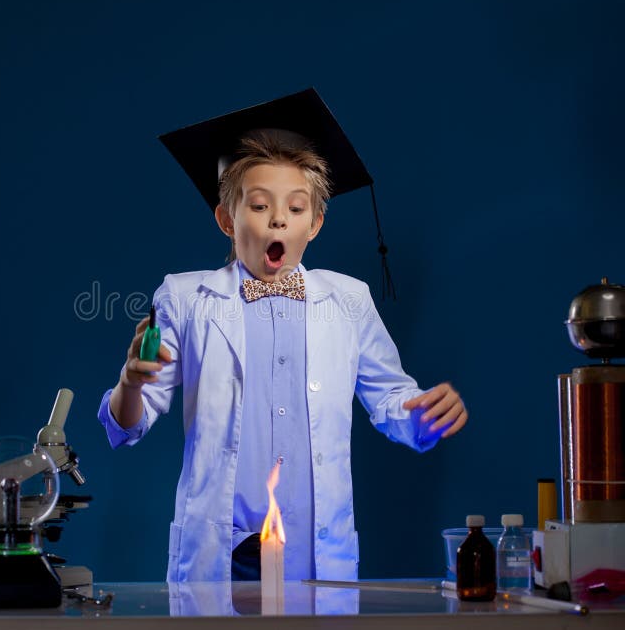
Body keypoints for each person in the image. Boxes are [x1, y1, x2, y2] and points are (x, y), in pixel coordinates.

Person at [98, 89, 467, 583]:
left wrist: (425, 416)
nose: (278, 219)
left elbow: (392, 402)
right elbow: (126, 427)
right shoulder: (184, 299)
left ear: (314, 223)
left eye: (296, 209)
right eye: (259, 205)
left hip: (316, 553)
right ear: (227, 219)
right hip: (218, 553)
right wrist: (132, 383)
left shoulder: (350, 300)